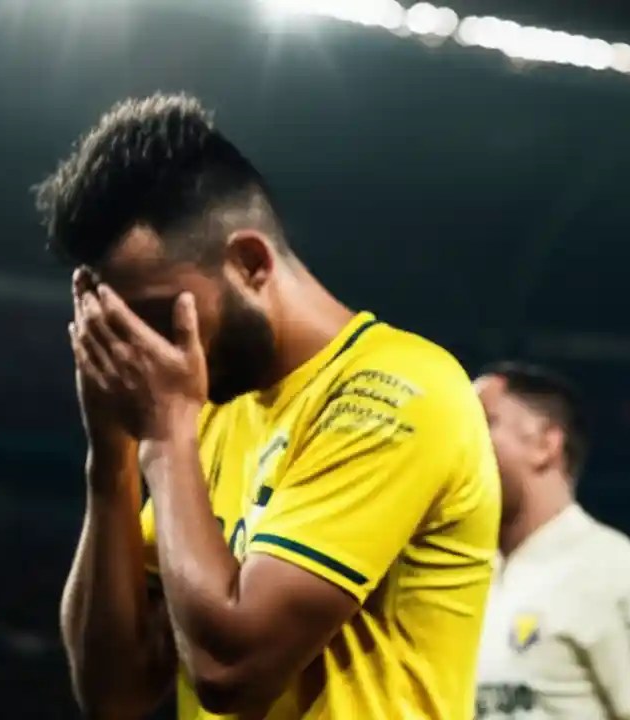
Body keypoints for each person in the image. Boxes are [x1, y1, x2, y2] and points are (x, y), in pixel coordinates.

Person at [39, 93, 501, 719]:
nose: (139, 352)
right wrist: (110, 458)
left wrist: (164, 438)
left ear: (251, 263)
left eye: (154, 315)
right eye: (118, 326)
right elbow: (115, 695)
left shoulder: (398, 390)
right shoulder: (198, 410)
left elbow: (231, 672)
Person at [473, 361, 630, 720]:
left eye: (483, 424)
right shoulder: (458, 576)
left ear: (545, 444)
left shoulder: (622, 575)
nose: (459, 444)